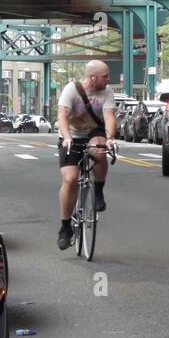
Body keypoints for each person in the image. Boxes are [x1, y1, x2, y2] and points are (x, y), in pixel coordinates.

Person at [56, 60, 118, 251]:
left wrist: (110, 138)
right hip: (71, 137)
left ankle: (98, 191)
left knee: (100, 148)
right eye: (105, 76)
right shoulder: (71, 90)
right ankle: (65, 226)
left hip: (94, 133)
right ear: (93, 77)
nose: (108, 79)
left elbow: (109, 117)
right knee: (70, 179)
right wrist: (67, 138)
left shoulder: (107, 93)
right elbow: (63, 116)